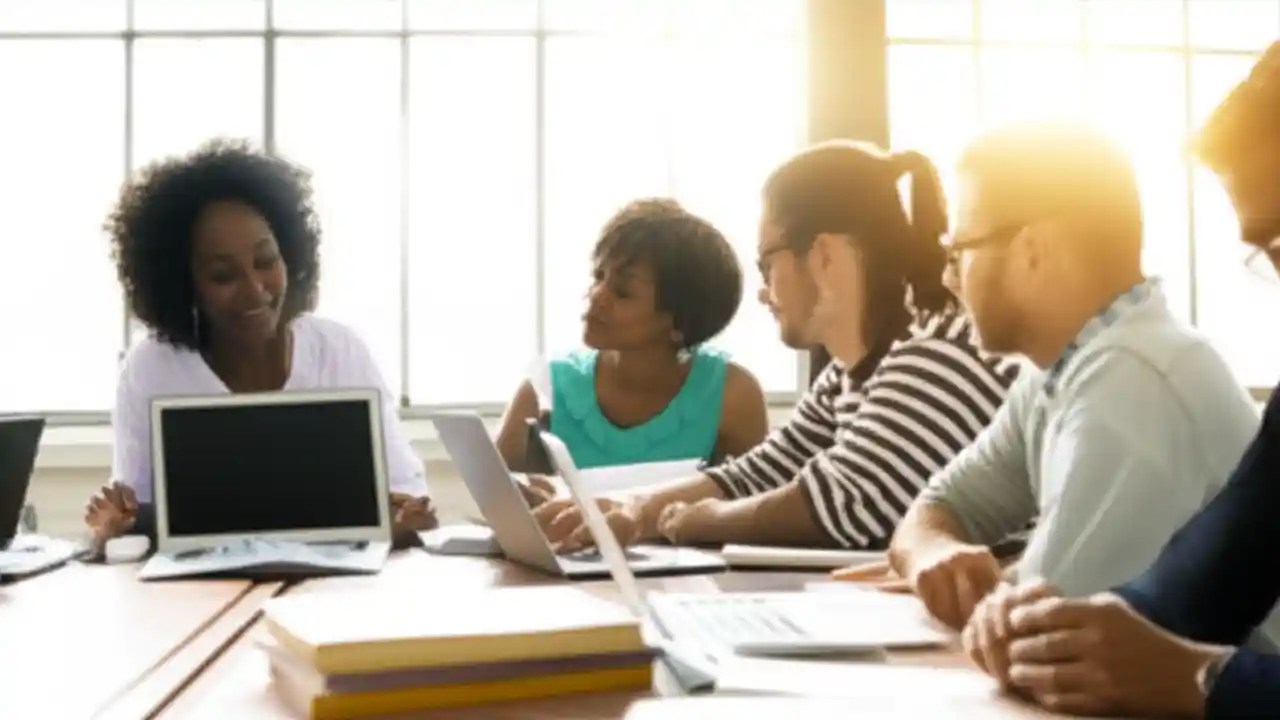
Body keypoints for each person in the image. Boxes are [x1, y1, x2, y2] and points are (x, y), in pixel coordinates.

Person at [962, 42, 1280, 718]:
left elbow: (1192, 663)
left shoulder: (1138, 375)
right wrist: (1057, 628)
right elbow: (1216, 572)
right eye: (1270, 250)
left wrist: (1207, 681)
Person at [849, 121, 1260, 633]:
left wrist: (979, 583)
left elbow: (1044, 635)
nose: (948, 277)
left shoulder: (1134, 383)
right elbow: (938, 507)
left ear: (1033, 250)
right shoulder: (1060, 370)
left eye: (959, 251)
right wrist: (934, 553)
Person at [534, 141, 1019, 552]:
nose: (764, 291)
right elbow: (760, 472)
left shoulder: (939, 353)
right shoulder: (847, 377)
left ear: (823, 254)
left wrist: (697, 521)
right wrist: (632, 509)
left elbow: (835, 504)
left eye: (767, 264)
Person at [83, 140, 436, 547]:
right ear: (185, 285)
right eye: (222, 275)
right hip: (201, 591)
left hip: (335, 586)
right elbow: (134, 517)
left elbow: (406, 495)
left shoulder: (339, 350)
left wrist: (409, 518)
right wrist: (111, 529)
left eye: (266, 262)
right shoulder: (151, 368)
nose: (255, 290)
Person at [495, 198, 768, 476]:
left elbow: (755, 507)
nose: (598, 296)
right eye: (598, 276)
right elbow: (496, 500)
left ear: (680, 322)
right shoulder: (546, 387)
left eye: (623, 291)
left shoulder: (731, 394)